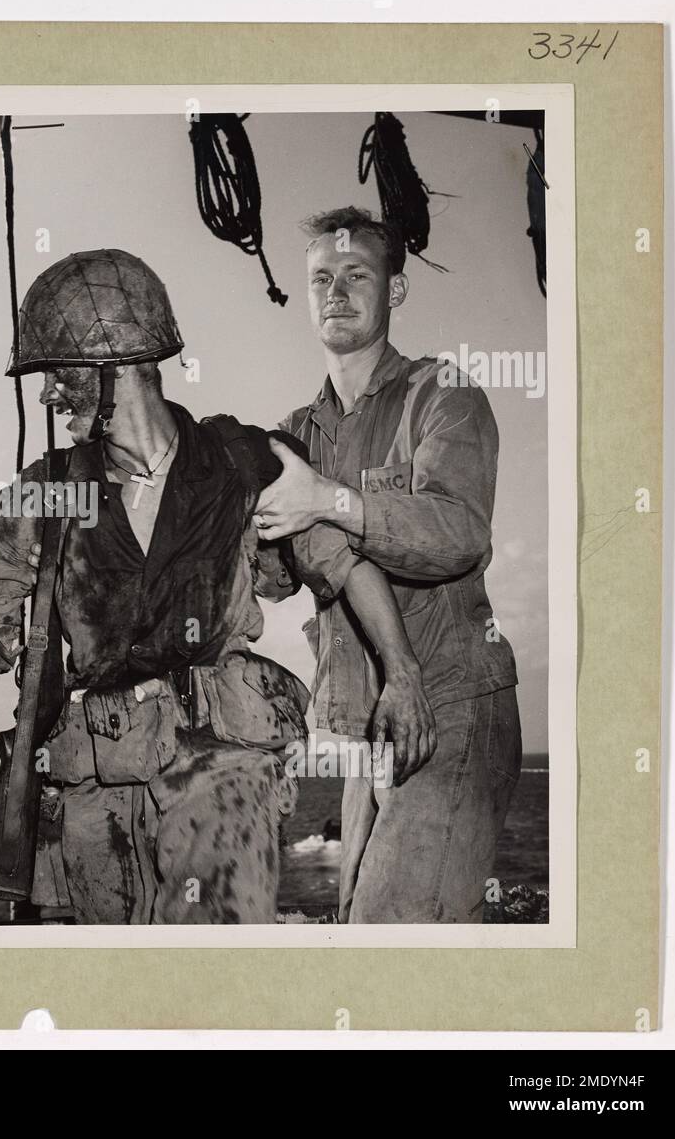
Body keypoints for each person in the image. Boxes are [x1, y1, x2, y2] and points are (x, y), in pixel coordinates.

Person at [0, 248, 432, 925]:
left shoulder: (241, 460)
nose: (49, 394)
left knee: (211, 976)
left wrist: (402, 674)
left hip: (218, 769)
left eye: (62, 373)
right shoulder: (41, 494)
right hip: (94, 788)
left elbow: (342, 562)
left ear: (122, 365)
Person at [254, 206, 521, 924]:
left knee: (396, 934)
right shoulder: (294, 436)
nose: (335, 292)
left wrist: (329, 501)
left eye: (355, 274)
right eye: (320, 279)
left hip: (455, 705)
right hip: (369, 724)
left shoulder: (444, 394)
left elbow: (459, 530)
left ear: (394, 291)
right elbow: (280, 578)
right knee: (360, 930)